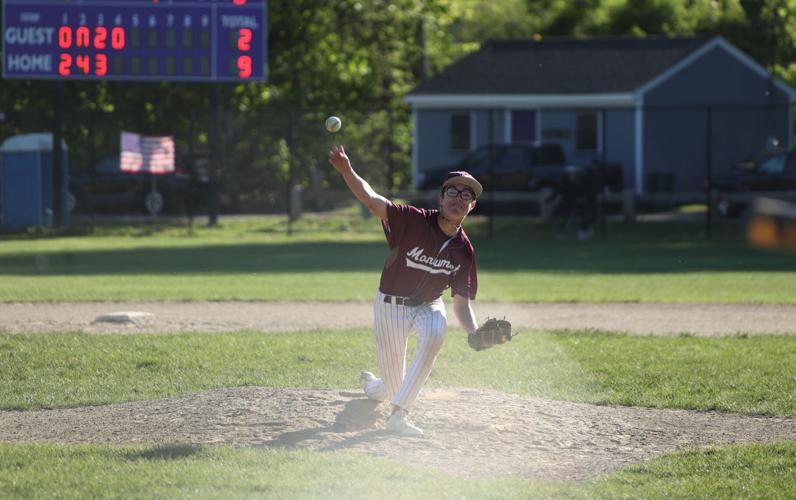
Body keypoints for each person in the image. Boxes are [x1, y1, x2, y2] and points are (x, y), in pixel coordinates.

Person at [328, 144, 482, 437]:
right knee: (392, 385)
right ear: (440, 199)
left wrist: (474, 332)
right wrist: (347, 170)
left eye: (467, 195)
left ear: (472, 206)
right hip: (390, 306)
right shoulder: (412, 220)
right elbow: (371, 200)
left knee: (436, 332)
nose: (458, 199)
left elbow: (461, 305)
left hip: (429, 305)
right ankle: (375, 386)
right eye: (452, 192)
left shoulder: (464, 251)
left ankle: (399, 417)